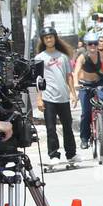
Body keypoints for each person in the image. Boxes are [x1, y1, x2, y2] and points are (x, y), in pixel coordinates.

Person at [35, 28, 78, 167]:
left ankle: (71, 154)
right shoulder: (39, 58)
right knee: (51, 128)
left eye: (51, 37)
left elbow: (69, 76)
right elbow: (38, 79)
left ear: (55, 38)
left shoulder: (63, 57)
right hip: (48, 97)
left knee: (67, 127)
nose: (49, 40)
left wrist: (73, 94)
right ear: (43, 40)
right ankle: (53, 155)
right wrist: (39, 98)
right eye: (46, 38)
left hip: (63, 98)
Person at [73, 31, 103, 151]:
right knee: (85, 112)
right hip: (84, 85)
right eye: (90, 44)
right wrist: (76, 84)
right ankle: (84, 138)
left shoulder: (102, 55)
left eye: (95, 44)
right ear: (86, 45)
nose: (93, 46)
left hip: (98, 83)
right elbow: (75, 72)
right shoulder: (82, 57)